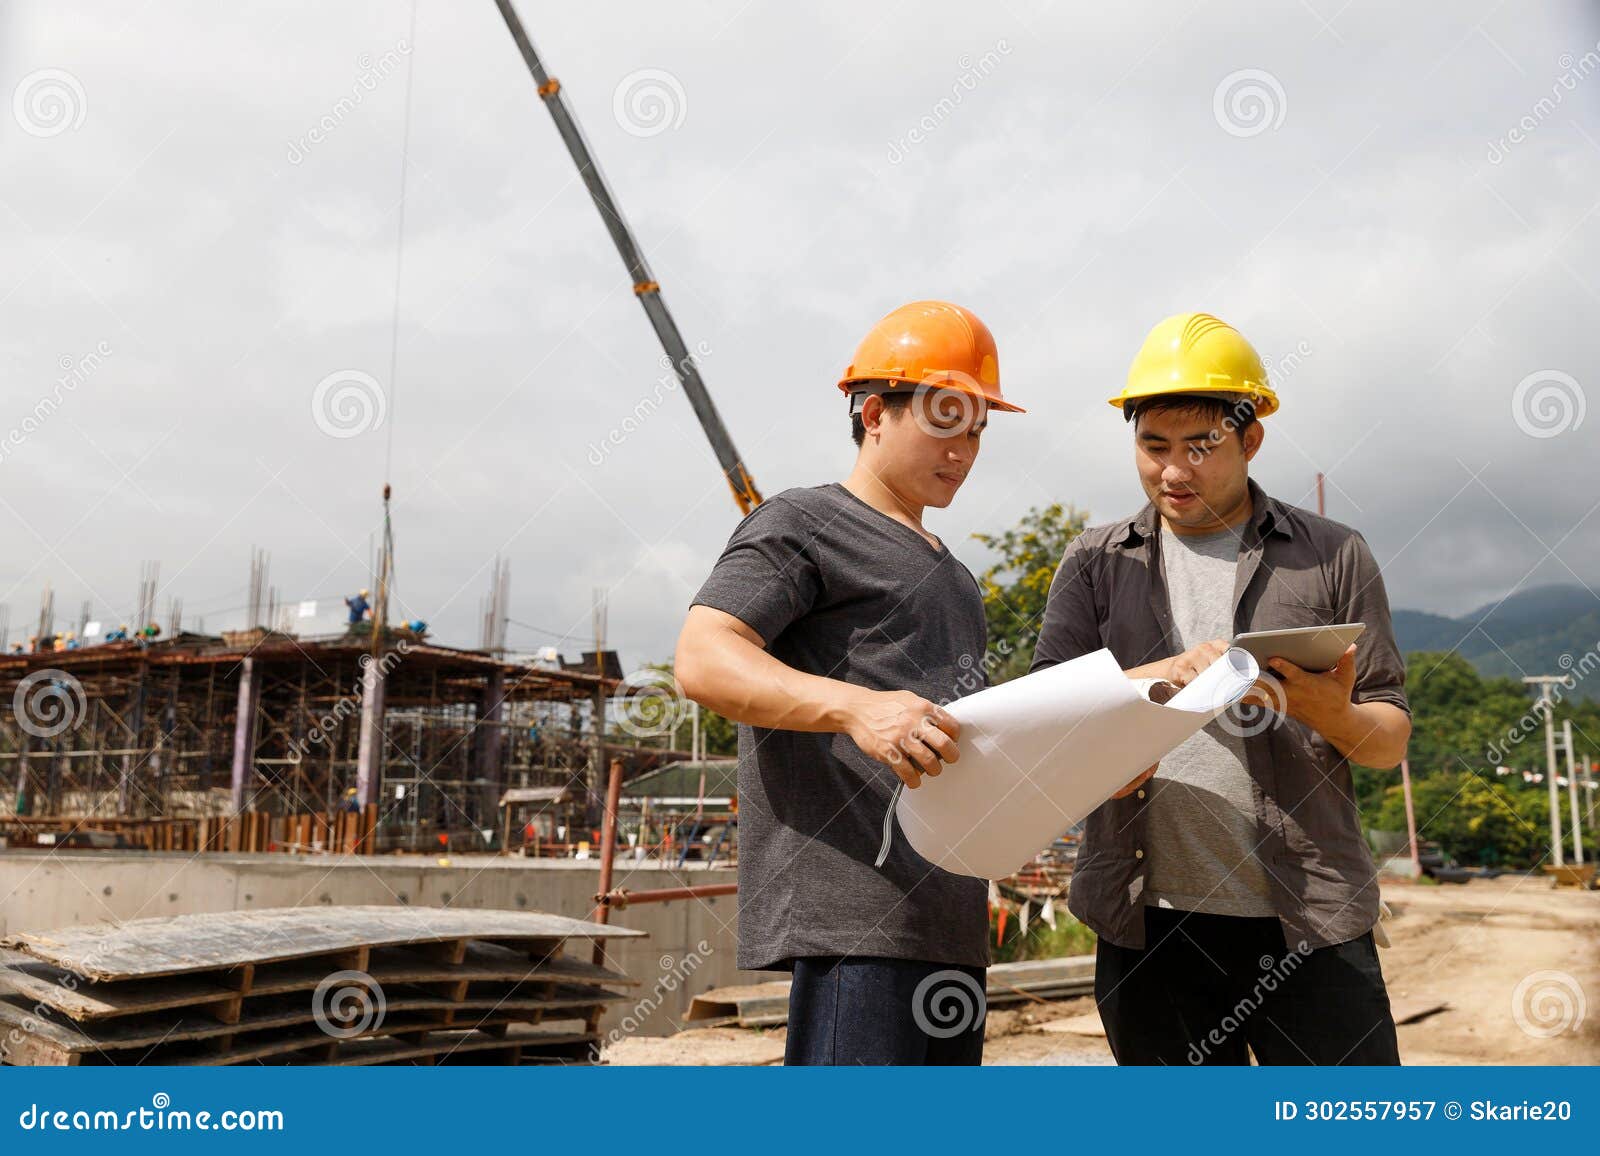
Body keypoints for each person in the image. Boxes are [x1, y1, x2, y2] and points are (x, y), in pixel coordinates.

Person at [1032, 311, 1411, 1066]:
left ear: (1251, 438)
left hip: (1311, 917)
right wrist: (1151, 678)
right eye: (1153, 446)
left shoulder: (1334, 556)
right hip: (1148, 924)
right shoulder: (1094, 562)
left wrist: (1331, 712)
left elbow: (1388, 737)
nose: (1174, 472)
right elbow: (1046, 713)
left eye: (1200, 448)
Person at [675, 301, 1027, 1065]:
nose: (964, 449)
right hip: (855, 926)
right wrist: (856, 707)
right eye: (946, 421)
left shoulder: (956, 579)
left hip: (946, 922)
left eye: (977, 429)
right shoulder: (803, 524)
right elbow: (704, 656)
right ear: (874, 413)